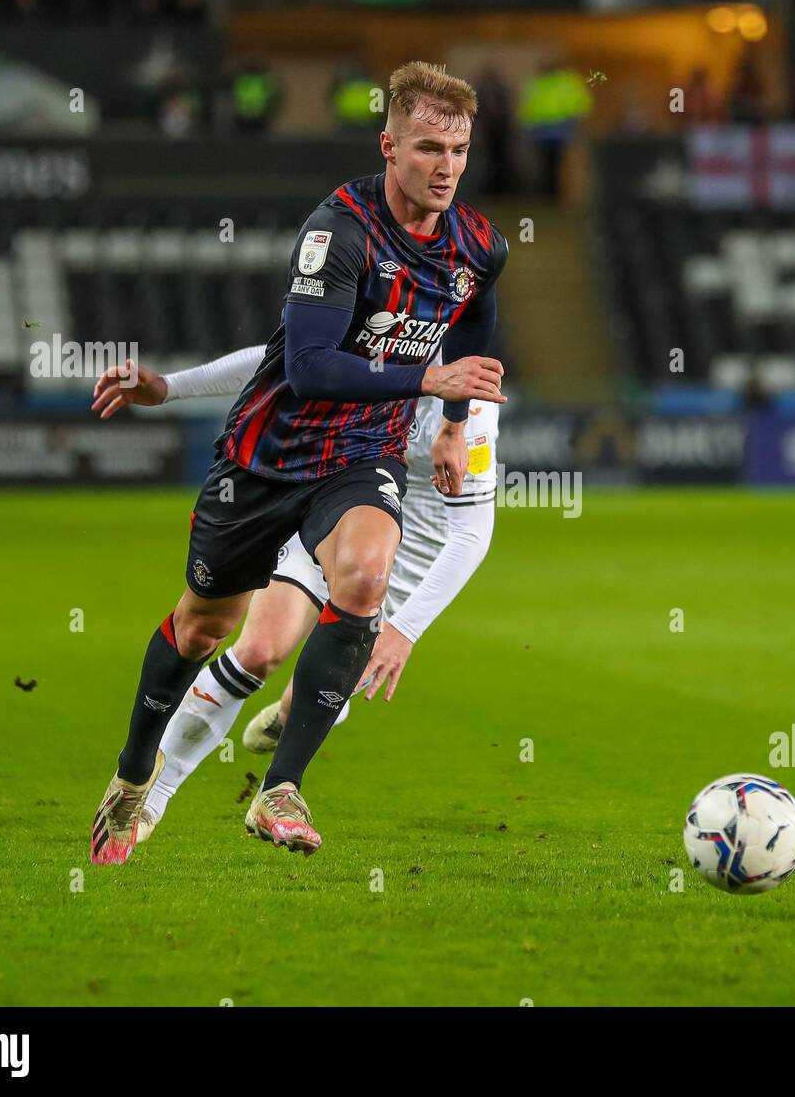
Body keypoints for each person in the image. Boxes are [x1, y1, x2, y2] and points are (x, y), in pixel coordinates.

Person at [89, 60, 509, 865]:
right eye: (428, 148)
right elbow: (303, 362)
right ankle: (136, 771)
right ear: (389, 146)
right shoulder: (338, 232)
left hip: (362, 457)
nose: (446, 166)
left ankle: (280, 787)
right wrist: (170, 389)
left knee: (365, 572)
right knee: (203, 626)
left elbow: (474, 322)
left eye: (458, 149)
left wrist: (453, 423)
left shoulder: (478, 247)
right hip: (268, 456)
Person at [90, 346, 499, 840]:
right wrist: (172, 387)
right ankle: (149, 803)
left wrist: (403, 630)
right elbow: (282, 357)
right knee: (258, 651)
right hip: (333, 509)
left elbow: (471, 535)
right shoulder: (384, 335)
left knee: (307, 699)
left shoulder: (470, 406)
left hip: (401, 564)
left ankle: (287, 728)